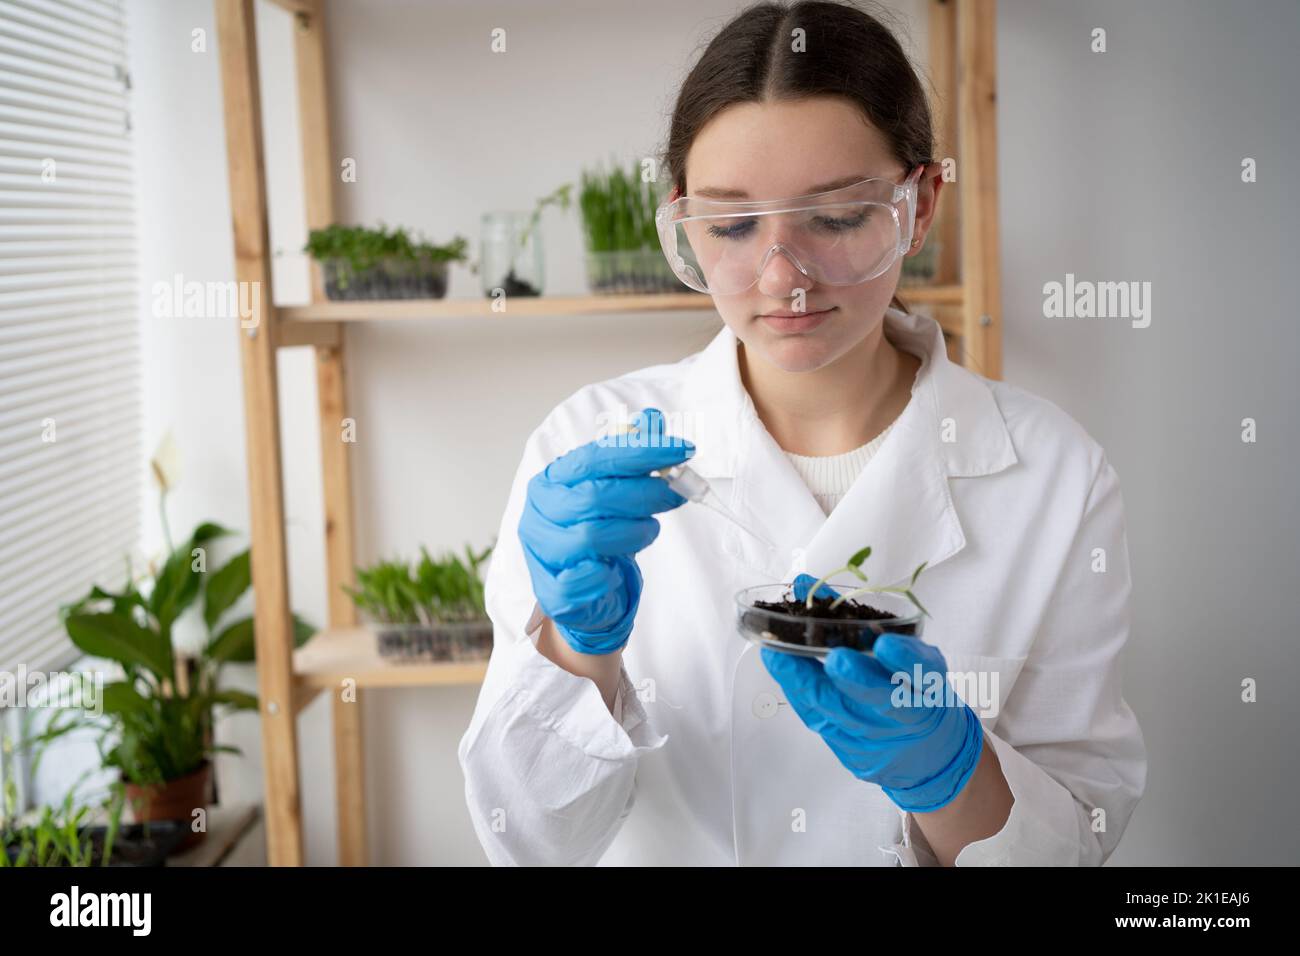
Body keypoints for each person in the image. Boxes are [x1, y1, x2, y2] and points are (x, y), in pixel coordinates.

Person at [458, 0, 1145, 866]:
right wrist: (572, 650)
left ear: (920, 203)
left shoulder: (1053, 477)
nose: (784, 276)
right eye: (734, 225)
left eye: (836, 217)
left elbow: (1080, 842)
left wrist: (951, 772)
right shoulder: (586, 444)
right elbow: (528, 844)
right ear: (684, 221)